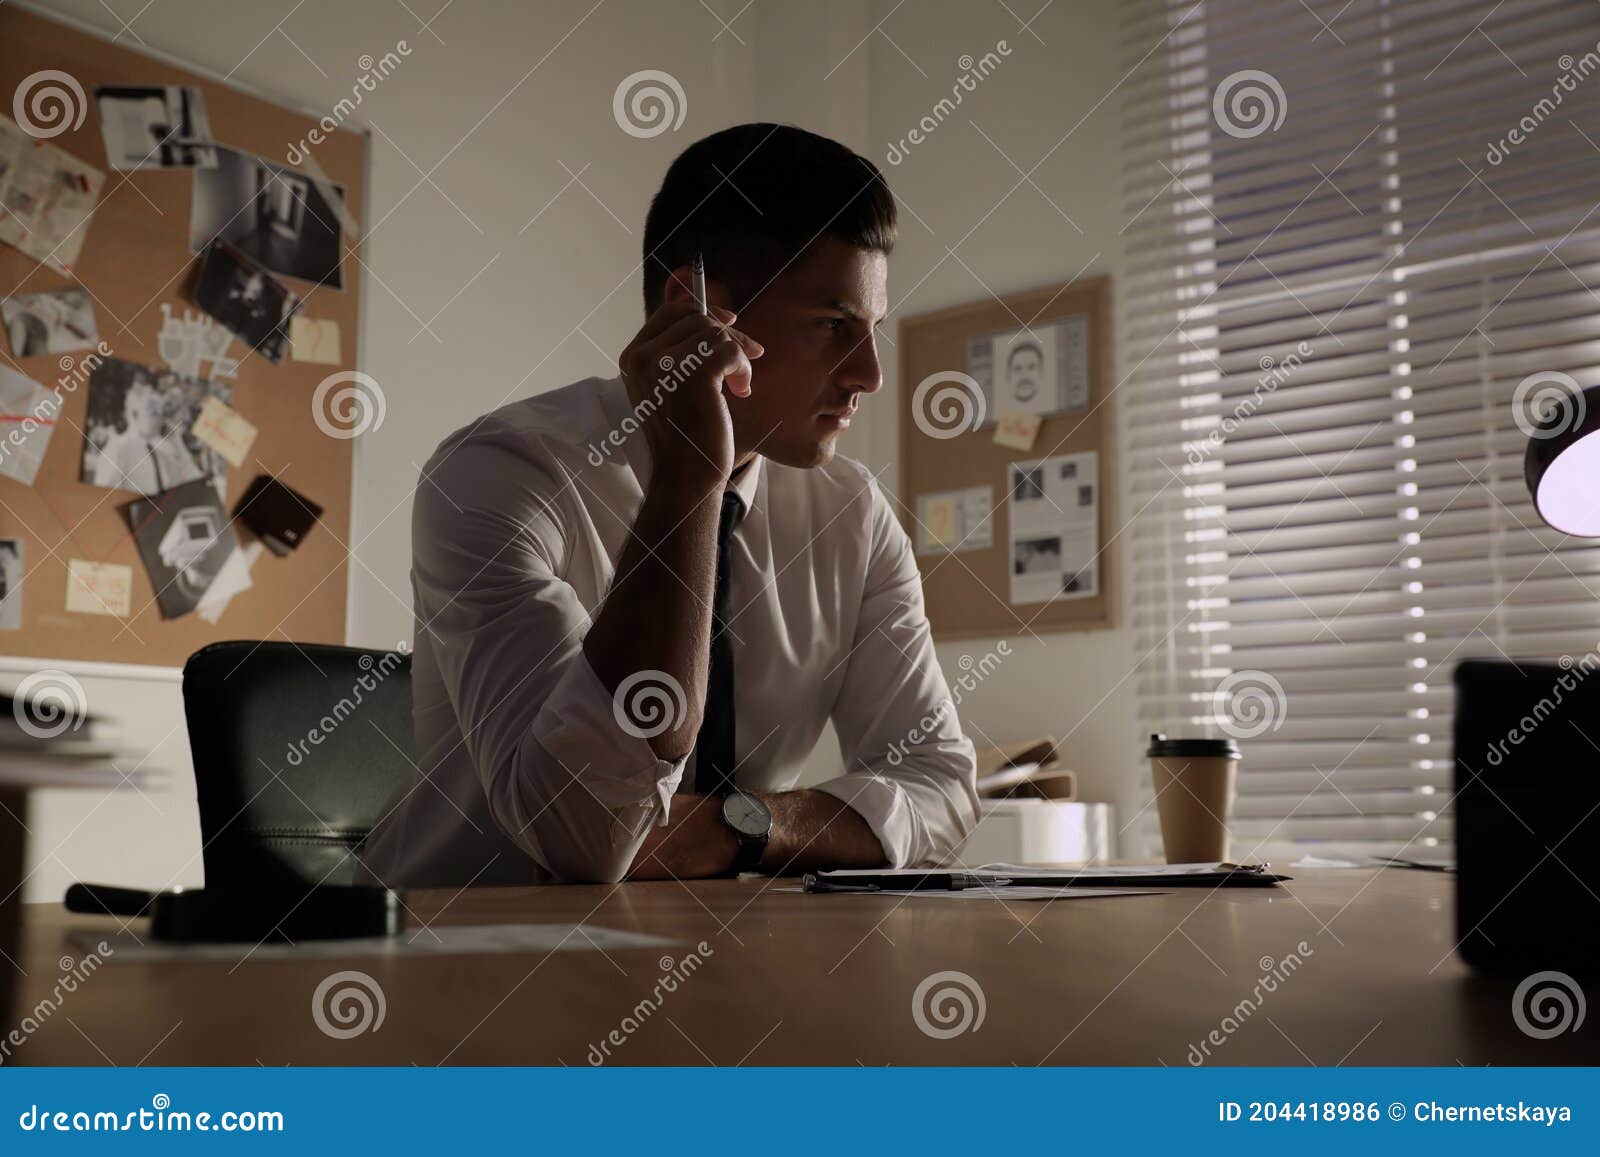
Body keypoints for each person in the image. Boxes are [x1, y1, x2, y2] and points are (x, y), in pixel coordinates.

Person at [363, 123, 979, 887]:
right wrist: (689, 482)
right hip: (459, 954)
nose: (871, 375)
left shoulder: (851, 514)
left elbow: (943, 789)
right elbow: (583, 835)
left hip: (705, 950)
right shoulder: (500, 472)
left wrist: (735, 828)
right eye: (832, 327)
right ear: (698, 310)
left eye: (874, 330)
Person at [90, 378, 204, 494]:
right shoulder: (118, 449)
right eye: (153, 412)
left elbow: (194, 481)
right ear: (134, 415)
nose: (160, 419)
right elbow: (104, 494)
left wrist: (178, 444)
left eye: (161, 412)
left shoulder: (164, 450)